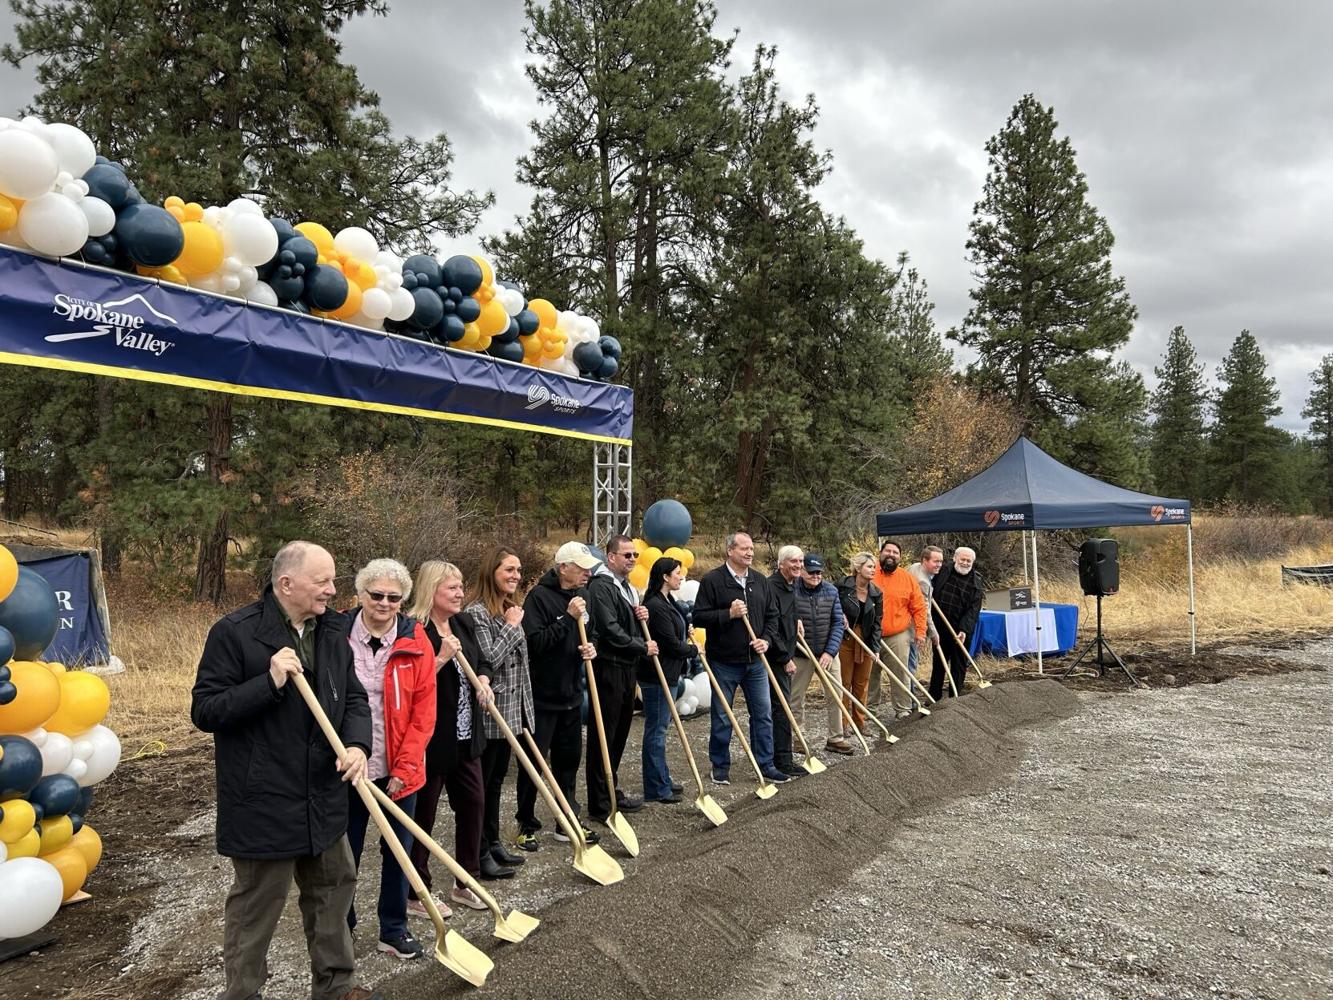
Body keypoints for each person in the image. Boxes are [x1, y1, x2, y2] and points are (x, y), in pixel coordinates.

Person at [191, 540, 382, 1000]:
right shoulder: (235, 633)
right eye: (322, 581)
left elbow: (354, 698)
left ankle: (337, 987)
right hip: (264, 801)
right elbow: (206, 710)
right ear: (286, 583)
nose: (332, 590)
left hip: (323, 795)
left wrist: (357, 746)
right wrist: (269, 681)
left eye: (332, 580)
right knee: (256, 910)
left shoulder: (332, 631)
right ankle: (243, 994)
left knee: (333, 893)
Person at [342, 558, 436, 961]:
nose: (384, 603)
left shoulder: (416, 639)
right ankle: (340, 930)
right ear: (360, 594)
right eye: (376, 594)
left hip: (399, 768)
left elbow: (424, 711)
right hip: (347, 767)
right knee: (344, 855)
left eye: (394, 598)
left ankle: (393, 929)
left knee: (399, 852)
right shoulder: (337, 634)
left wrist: (406, 766)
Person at [406, 560, 495, 917]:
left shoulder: (463, 622)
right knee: (423, 816)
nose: (460, 594)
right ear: (431, 591)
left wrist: (484, 681)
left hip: (466, 737)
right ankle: (416, 891)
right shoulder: (415, 629)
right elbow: (410, 685)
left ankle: (466, 881)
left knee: (473, 805)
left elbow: (483, 662)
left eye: (461, 587)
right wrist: (441, 658)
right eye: (452, 588)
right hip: (432, 741)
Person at [516, 541, 602, 850]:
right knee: (534, 764)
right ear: (563, 567)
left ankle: (567, 819)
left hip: (571, 694)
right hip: (542, 697)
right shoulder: (538, 598)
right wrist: (566, 618)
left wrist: (592, 647)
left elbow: (592, 632)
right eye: (581, 568)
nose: (587, 573)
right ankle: (526, 823)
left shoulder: (585, 596)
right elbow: (535, 644)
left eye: (589, 568)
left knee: (568, 762)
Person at [692, 531, 789, 786]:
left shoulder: (759, 580)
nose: (750, 552)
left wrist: (766, 640)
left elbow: (772, 616)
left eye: (751, 549)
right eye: (744, 548)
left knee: (763, 714)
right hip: (723, 662)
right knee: (723, 716)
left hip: (755, 663)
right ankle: (720, 766)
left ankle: (765, 764)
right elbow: (699, 617)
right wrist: (729, 614)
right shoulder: (713, 580)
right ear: (730, 551)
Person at [462, 547, 536, 875]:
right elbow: (486, 660)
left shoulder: (509, 609)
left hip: (512, 710)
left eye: (518, 570)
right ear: (492, 571)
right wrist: (511, 626)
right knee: (482, 786)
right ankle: (478, 851)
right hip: (490, 711)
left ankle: (492, 843)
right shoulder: (476, 612)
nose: (515, 576)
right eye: (509, 569)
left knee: (495, 784)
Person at [586, 535, 651, 820]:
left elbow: (626, 623)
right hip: (609, 668)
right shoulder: (601, 586)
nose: (633, 559)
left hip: (627, 668)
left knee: (621, 732)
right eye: (627, 555)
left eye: (635, 555)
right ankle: (600, 802)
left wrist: (641, 616)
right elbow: (610, 629)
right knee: (605, 733)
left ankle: (611, 790)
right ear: (611, 557)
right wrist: (641, 646)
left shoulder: (629, 587)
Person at [638, 556, 697, 803]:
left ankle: (662, 778)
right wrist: (693, 650)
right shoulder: (655, 605)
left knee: (661, 728)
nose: (681, 577)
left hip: (669, 673)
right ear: (665, 577)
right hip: (657, 676)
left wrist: (685, 628)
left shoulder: (668, 600)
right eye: (677, 573)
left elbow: (675, 631)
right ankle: (655, 787)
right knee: (657, 730)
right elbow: (670, 644)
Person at [789, 554, 848, 753]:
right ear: (802, 571)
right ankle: (798, 739)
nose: (816, 576)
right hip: (801, 654)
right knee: (796, 697)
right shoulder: (792, 590)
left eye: (819, 572)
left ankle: (836, 738)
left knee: (836, 694)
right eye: (812, 572)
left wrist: (830, 652)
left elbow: (838, 623)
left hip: (827, 653)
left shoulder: (831, 591)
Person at [871, 539, 927, 719]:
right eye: (888, 551)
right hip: (869, 634)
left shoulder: (908, 579)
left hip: (897, 635)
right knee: (869, 673)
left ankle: (902, 709)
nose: (891, 555)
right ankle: (868, 710)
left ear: (900, 557)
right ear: (880, 553)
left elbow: (919, 608)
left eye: (895, 553)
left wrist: (921, 632)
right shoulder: (869, 573)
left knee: (900, 672)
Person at [766, 545, 805, 778]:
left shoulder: (791, 585)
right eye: (793, 561)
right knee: (781, 707)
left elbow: (787, 613)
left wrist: (796, 620)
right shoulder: (771, 587)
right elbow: (771, 627)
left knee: (782, 706)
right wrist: (785, 658)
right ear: (781, 564)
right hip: (775, 657)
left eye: (800, 561)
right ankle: (782, 759)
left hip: (786, 651)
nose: (799, 565)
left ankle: (779, 756)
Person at [930, 546, 985, 700]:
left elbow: (974, 610)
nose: (965, 563)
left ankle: (955, 698)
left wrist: (964, 629)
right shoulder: (943, 571)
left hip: (961, 631)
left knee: (959, 664)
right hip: (940, 626)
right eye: (963, 559)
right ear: (955, 558)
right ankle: (934, 697)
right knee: (939, 662)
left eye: (969, 561)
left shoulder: (976, 582)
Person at [836, 552, 883, 730]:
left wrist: (875, 648)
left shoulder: (876, 593)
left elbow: (877, 623)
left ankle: (859, 723)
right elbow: (831, 602)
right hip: (845, 638)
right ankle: (843, 724)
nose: (873, 570)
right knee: (844, 682)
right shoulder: (842, 586)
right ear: (858, 568)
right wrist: (839, 614)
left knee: (862, 683)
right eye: (869, 566)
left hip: (865, 640)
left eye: (874, 567)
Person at [907, 545, 944, 685]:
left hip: (904, 621)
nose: (939, 565)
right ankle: (910, 696)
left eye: (941, 561)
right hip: (911, 626)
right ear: (924, 560)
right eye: (936, 561)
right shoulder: (923, 581)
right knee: (911, 663)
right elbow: (925, 611)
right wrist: (933, 633)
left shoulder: (914, 566)